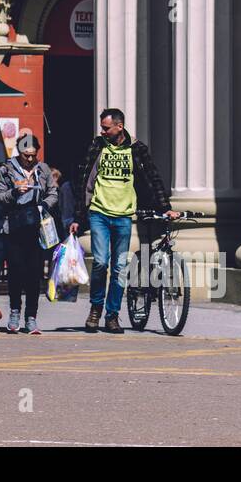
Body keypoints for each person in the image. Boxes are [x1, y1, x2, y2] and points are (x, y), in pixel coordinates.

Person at [78, 108, 176, 333]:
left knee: (120, 267)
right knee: (101, 262)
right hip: (99, 213)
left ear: (119, 127)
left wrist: (165, 208)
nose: (102, 131)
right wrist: (79, 215)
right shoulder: (97, 147)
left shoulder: (137, 149)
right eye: (102, 127)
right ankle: (95, 310)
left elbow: (152, 178)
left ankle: (112, 315)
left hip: (123, 215)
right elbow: (83, 178)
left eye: (106, 127)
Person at [0, 132, 59, 334]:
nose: (29, 159)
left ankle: (31, 317)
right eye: (26, 155)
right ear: (19, 152)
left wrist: (44, 205)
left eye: (32, 155)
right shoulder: (7, 169)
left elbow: (53, 192)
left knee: (34, 273)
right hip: (14, 225)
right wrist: (14, 193)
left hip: (36, 225)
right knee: (15, 272)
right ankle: (14, 312)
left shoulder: (43, 169)